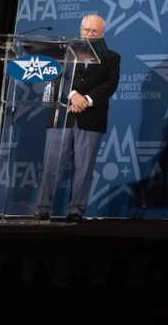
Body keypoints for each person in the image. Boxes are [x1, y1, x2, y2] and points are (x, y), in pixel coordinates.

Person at [33, 14, 121, 222]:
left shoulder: (112, 57)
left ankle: (76, 210)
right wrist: (73, 95)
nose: (89, 34)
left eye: (94, 31)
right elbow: (56, 78)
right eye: (86, 30)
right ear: (80, 30)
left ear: (102, 33)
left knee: (84, 168)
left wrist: (86, 100)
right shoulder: (63, 52)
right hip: (61, 115)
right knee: (51, 165)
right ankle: (43, 208)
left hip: (91, 117)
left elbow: (110, 85)